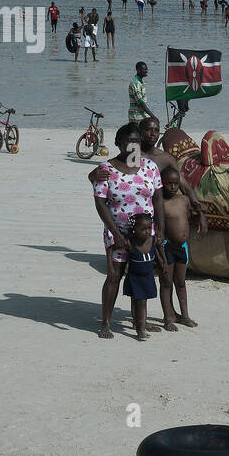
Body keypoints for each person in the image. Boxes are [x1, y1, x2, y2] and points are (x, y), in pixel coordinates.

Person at [92, 124, 164, 338]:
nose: (133, 145)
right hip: (117, 233)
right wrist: (116, 233)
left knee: (140, 274)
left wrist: (160, 229)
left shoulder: (150, 167)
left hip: (144, 235)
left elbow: (158, 199)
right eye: (128, 141)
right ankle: (105, 322)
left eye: (137, 142)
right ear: (118, 143)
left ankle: (138, 322)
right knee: (114, 276)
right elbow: (100, 203)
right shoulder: (106, 169)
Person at [158, 166, 200, 328]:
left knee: (181, 282)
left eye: (176, 184)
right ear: (162, 183)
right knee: (166, 282)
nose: (173, 187)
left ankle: (184, 315)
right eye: (169, 184)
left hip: (183, 246)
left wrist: (199, 217)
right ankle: (168, 317)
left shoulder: (184, 200)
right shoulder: (160, 202)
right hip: (168, 246)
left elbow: (190, 217)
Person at [121, 213, 163, 340]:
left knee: (140, 302)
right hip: (134, 278)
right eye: (143, 229)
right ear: (134, 230)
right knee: (140, 302)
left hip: (147, 277)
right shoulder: (130, 243)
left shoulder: (152, 240)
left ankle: (139, 324)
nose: (147, 232)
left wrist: (163, 263)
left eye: (149, 228)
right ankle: (141, 329)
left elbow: (159, 251)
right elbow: (112, 248)